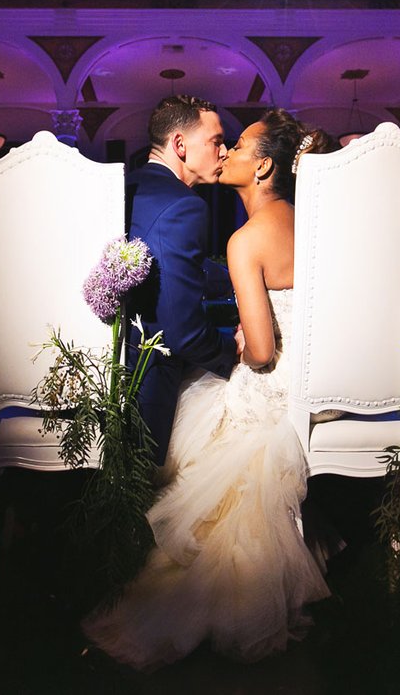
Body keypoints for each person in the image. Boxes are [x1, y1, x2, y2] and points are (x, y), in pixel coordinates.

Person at [84, 109, 337, 669]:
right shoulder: (311, 226)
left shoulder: (245, 238)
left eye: (237, 147)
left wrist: (245, 343)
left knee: (199, 453)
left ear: (264, 165)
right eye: (221, 143)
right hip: (315, 382)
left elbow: (264, 352)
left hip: (272, 381)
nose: (225, 155)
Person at [125, 95, 240, 464]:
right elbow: (184, 330)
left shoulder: (129, 188)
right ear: (179, 145)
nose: (224, 151)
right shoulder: (185, 205)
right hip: (149, 385)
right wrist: (232, 351)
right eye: (215, 141)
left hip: (111, 373)